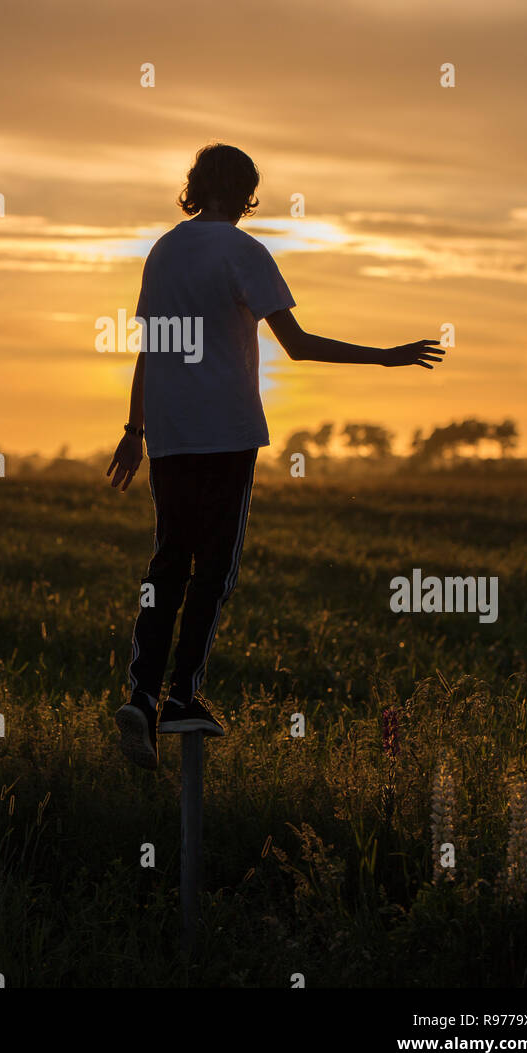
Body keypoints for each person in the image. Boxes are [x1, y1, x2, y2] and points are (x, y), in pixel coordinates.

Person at [107, 142, 444, 770]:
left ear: (193, 186)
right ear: (245, 194)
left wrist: (136, 428)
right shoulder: (243, 251)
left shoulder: (163, 251)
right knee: (215, 568)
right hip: (226, 434)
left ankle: (142, 694)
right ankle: (182, 695)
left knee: (167, 563)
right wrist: (387, 357)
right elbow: (298, 345)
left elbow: (149, 351)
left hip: (173, 436)